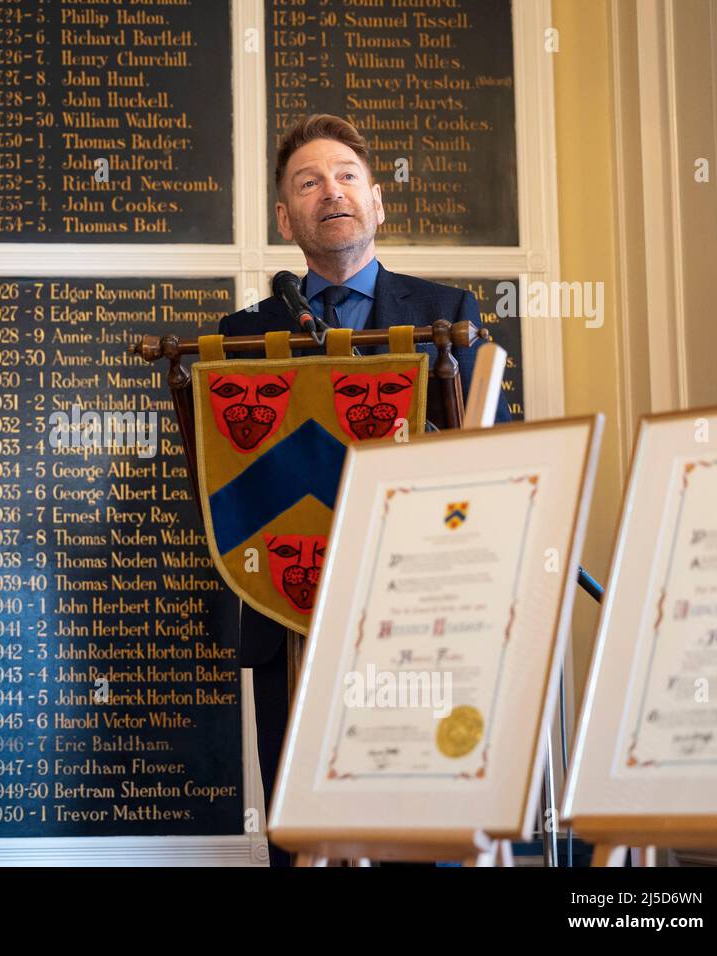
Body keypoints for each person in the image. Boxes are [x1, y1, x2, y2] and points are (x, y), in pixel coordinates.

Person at [219, 114, 510, 866]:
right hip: (289, 609)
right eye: (308, 182)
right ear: (286, 218)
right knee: (303, 832)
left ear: (378, 202)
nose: (331, 191)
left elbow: (494, 458)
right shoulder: (241, 335)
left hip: (418, 613)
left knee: (420, 826)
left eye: (347, 175)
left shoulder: (449, 317)